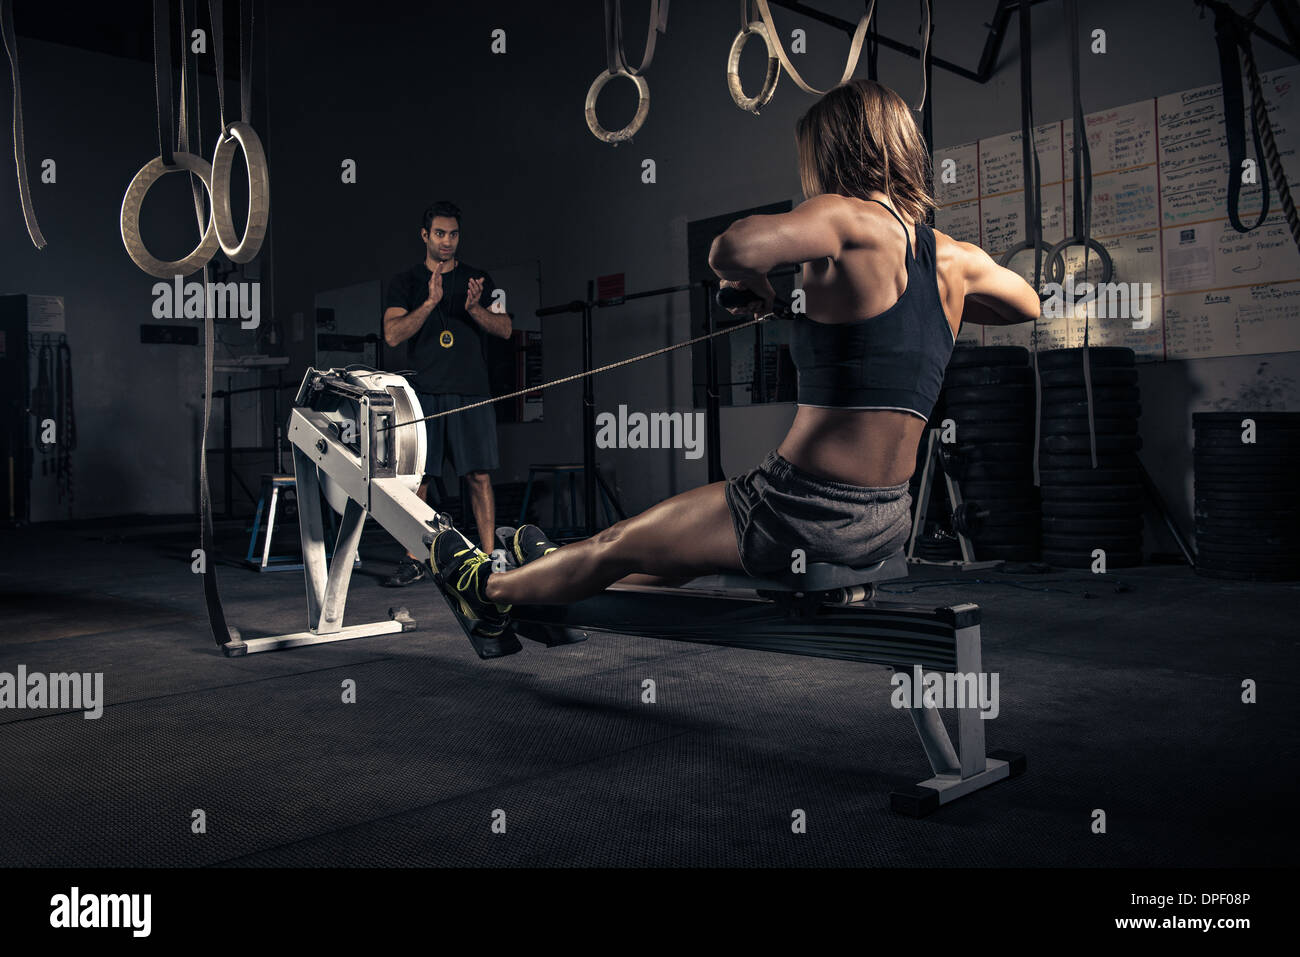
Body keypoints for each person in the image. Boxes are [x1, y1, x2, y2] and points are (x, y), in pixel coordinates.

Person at [431, 80, 1042, 638]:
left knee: (616, 542)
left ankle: (486, 589)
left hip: (796, 510)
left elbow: (731, 248)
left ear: (834, 152)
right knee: (663, 561)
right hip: (886, 519)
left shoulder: (845, 217)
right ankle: (552, 581)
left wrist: (768, 288)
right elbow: (1026, 305)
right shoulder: (954, 258)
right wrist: (805, 305)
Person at [381, 200, 513, 587]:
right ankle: (415, 556)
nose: (447, 241)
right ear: (425, 235)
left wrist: (474, 309)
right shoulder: (405, 282)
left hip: (472, 392)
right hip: (424, 394)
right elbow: (392, 334)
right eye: (439, 233)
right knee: (419, 479)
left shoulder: (479, 280)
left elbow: (505, 329)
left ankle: (489, 558)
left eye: (453, 234)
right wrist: (430, 303)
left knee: (479, 475)